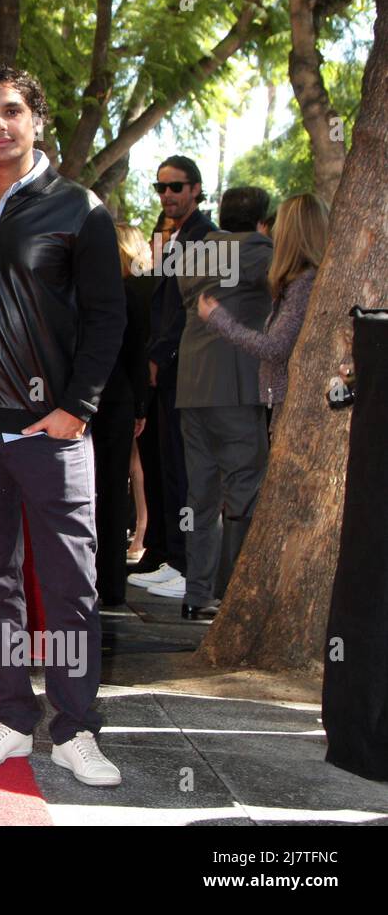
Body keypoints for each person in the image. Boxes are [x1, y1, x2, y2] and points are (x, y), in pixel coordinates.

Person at [0, 66, 126, 786]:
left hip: (50, 436)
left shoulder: (81, 209)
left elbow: (110, 319)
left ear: (37, 120)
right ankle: (12, 718)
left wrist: (76, 408)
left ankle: (77, 729)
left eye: (12, 111)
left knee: (71, 587)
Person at [170, 186, 273, 619]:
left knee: (200, 497)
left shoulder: (192, 253)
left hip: (192, 389)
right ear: (262, 220)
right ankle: (235, 596)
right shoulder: (260, 251)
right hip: (236, 388)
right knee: (245, 491)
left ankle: (196, 595)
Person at [128, 155, 217, 597]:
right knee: (159, 461)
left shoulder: (206, 236)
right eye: (160, 188)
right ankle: (161, 551)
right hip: (157, 372)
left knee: (184, 469)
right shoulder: (165, 235)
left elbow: (191, 310)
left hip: (186, 370)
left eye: (176, 187)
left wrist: (161, 357)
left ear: (196, 189)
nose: (167, 196)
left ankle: (185, 563)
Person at [199, 193, 327, 431]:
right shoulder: (300, 280)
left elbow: (275, 347)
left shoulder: (304, 283)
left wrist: (220, 320)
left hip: (294, 405)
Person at [92, 224, 151, 606]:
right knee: (113, 492)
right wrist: (140, 406)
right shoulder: (134, 293)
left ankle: (96, 580)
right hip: (116, 402)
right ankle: (111, 584)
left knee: (89, 493)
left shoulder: (90, 291)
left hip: (92, 400)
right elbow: (138, 355)